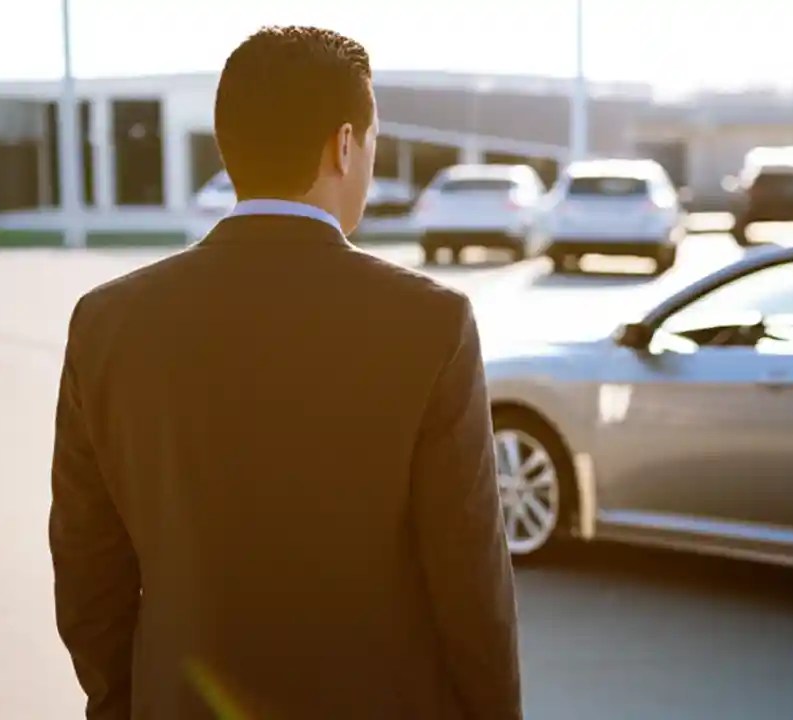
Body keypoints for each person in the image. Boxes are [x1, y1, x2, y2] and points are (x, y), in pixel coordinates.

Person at [49, 26, 521, 719]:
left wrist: (125, 705)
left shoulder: (107, 323)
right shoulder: (431, 324)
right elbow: (470, 583)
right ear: (344, 145)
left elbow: (88, 573)